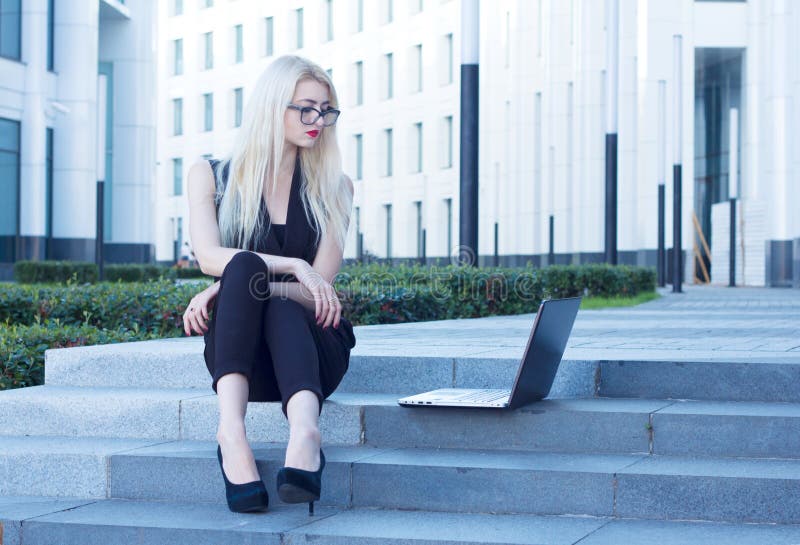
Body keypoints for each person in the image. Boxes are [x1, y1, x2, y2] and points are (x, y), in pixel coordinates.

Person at [181, 55, 356, 515]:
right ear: (272, 106)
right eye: (306, 108)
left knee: (269, 295)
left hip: (313, 352)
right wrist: (293, 265)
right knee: (239, 264)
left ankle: (305, 434)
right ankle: (231, 433)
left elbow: (318, 292)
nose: (318, 120)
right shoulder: (211, 175)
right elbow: (207, 258)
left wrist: (236, 288)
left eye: (326, 110)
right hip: (242, 358)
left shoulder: (336, 188)